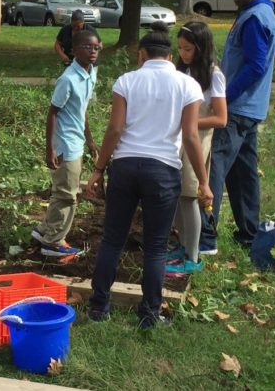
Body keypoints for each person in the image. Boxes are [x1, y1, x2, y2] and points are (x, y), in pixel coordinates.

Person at [84, 22, 213, 330]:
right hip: (163, 170)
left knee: (112, 239)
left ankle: (99, 307)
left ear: (141, 55)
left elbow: (115, 129)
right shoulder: (187, 85)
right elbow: (191, 136)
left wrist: (99, 169)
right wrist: (204, 182)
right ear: (169, 57)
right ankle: (149, 314)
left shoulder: (126, 80)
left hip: (125, 167)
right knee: (155, 246)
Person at [200, 0, 275, 254]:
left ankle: (205, 237)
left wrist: (225, 97)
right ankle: (248, 233)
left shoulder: (255, 18)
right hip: (250, 109)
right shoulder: (259, 12)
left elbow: (256, 65)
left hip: (236, 109)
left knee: (214, 169)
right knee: (243, 173)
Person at [166, 22, 227, 275]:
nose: (183, 54)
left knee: (191, 195)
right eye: (179, 48)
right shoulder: (180, 71)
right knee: (177, 194)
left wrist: (189, 123)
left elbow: (221, 118)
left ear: (201, 48)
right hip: (176, 139)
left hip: (197, 141)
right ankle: (182, 245)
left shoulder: (214, 75)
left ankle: (193, 255)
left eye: (188, 49)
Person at [32, 30, 100, 257]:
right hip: (65, 144)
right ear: (73, 50)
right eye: (87, 47)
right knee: (67, 194)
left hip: (77, 141)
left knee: (63, 191)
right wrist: (49, 148)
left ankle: (44, 231)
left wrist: (90, 140)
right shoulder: (68, 79)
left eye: (96, 47)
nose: (92, 52)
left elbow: (82, 111)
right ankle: (53, 242)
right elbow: (52, 113)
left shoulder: (90, 74)